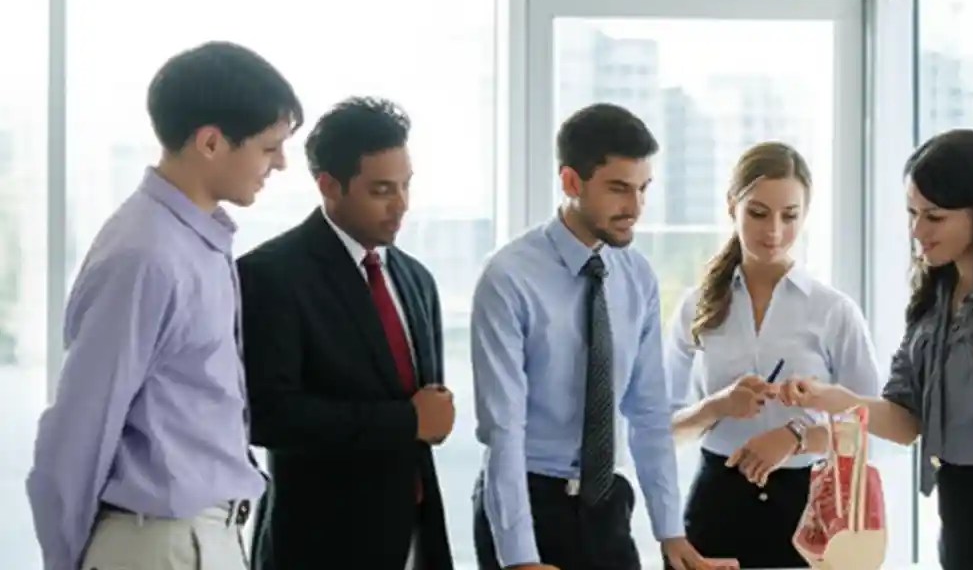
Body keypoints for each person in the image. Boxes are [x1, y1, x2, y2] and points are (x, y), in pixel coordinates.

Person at [26, 42, 303, 570]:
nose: (281, 164)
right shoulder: (147, 255)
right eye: (270, 148)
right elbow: (77, 430)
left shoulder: (195, 243)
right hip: (160, 546)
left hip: (202, 539)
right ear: (210, 142)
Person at [778, 129, 973, 570]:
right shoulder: (933, 306)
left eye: (934, 217)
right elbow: (907, 422)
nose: (916, 231)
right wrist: (836, 399)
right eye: (912, 213)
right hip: (959, 531)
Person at [471, 103, 735, 570]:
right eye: (618, 189)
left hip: (605, 504)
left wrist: (671, 532)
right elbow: (503, 430)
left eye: (643, 189)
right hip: (528, 502)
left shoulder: (636, 276)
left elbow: (649, 413)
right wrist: (519, 559)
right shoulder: (508, 278)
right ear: (572, 182)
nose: (634, 208)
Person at [238, 97, 455, 570]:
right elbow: (267, 416)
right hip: (318, 547)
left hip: (415, 538)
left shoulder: (415, 279)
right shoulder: (271, 277)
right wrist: (406, 422)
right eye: (381, 190)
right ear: (329, 185)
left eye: (405, 186)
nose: (401, 206)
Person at [665, 141, 880, 569]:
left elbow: (870, 428)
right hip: (716, 507)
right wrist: (717, 406)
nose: (774, 231)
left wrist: (796, 436)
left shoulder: (833, 311)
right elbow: (659, 429)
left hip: (808, 511)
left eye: (790, 215)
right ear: (732, 207)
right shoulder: (696, 307)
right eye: (758, 213)